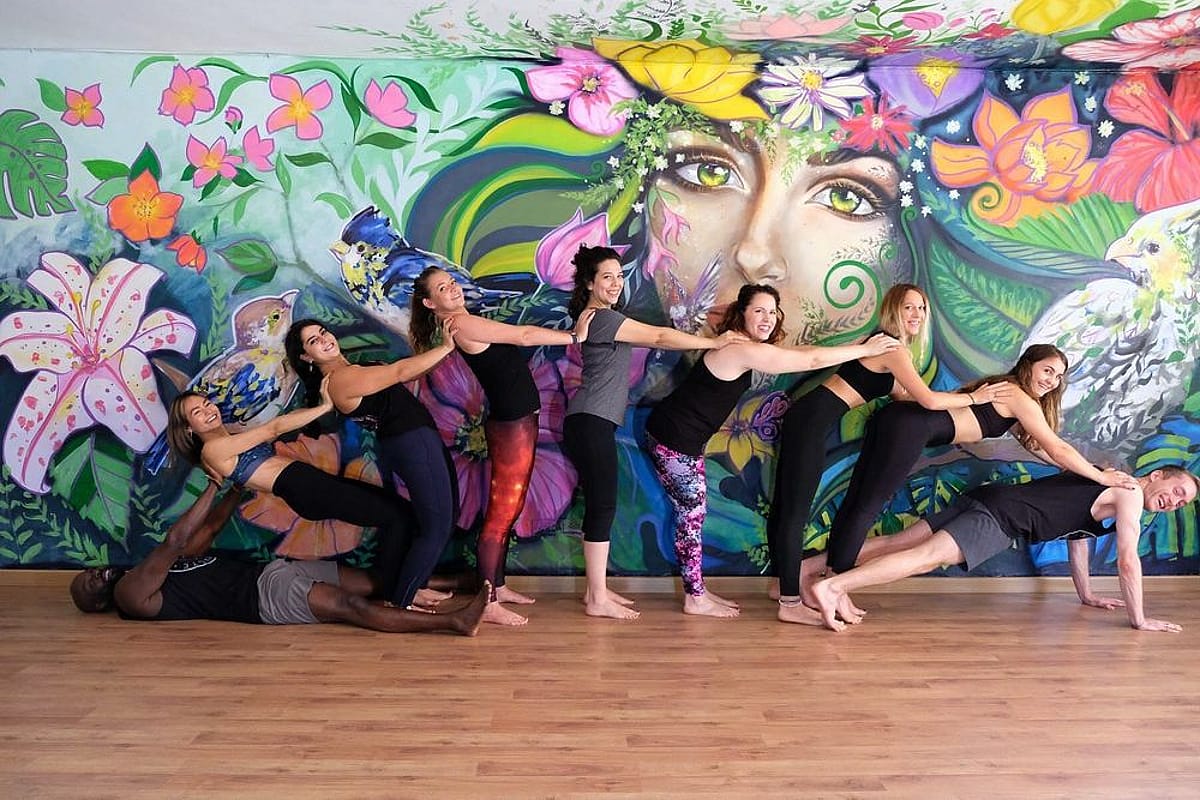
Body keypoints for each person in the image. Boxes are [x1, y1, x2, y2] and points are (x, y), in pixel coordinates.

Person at [817, 343, 1138, 625]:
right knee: (865, 507)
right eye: (1047, 370)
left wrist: (1081, 472)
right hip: (910, 428)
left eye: (1058, 377)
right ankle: (834, 586)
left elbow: (1041, 449)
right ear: (1029, 365)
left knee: (857, 502)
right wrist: (1100, 476)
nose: (1052, 381)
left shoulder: (1008, 393)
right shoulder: (1018, 396)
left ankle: (811, 575)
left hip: (900, 421)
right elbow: (1057, 447)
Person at [644, 283, 901, 617]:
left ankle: (699, 592)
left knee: (692, 514)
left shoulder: (742, 343)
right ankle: (695, 597)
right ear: (742, 313)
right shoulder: (738, 348)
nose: (766, 318)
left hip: (677, 435)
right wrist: (864, 351)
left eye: (771, 312)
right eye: (758, 311)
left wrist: (857, 346)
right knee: (691, 516)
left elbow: (803, 351)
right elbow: (809, 358)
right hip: (674, 439)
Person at [767, 283, 1010, 624]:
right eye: (909, 307)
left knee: (788, 507)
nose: (917, 315)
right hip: (808, 422)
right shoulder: (892, 348)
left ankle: (783, 587)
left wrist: (957, 418)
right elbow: (928, 400)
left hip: (808, 420)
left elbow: (907, 399)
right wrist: (975, 399)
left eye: (922, 308)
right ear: (894, 309)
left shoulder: (887, 349)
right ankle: (789, 603)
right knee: (794, 511)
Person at [563, 244, 745, 620]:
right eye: (606, 278)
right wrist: (712, 341)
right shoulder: (603, 318)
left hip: (592, 420)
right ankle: (596, 597)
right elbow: (661, 338)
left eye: (618, 276)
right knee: (602, 506)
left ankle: (597, 591)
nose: (615, 284)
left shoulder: (601, 316)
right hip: (590, 420)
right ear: (589, 283)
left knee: (601, 505)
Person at [407, 265, 595, 625]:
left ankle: (498, 585)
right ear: (431, 303)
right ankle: (488, 601)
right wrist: (575, 337)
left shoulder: (465, 321)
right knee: (501, 515)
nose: (454, 290)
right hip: (512, 426)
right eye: (443, 289)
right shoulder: (464, 324)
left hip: (516, 422)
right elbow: (523, 334)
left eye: (452, 283)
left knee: (508, 510)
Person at [809, 466, 1200, 633]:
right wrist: (1140, 619)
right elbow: (1129, 562)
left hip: (991, 498)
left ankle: (801, 573)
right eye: (1177, 492)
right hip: (1002, 519)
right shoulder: (1130, 494)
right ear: (1157, 476)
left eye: (1183, 504)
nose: (1175, 502)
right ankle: (833, 587)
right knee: (925, 558)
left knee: (901, 542)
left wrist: (1087, 594)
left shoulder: (1109, 478)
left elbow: (1077, 535)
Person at [70, 480, 488, 634]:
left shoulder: (159, 576)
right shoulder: (131, 595)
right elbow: (176, 540)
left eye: (87, 572)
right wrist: (214, 483)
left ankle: (459, 584)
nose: (93, 574)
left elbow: (208, 531)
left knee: (380, 581)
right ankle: (454, 620)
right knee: (355, 607)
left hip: (273, 571)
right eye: (88, 584)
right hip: (265, 598)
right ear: (100, 603)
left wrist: (236, 485)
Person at [167, 378, 440, 611]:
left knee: (400, 510)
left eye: (206, 404)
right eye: (197, 412)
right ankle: (400, 598)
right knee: (395, 517)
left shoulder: (230, 438)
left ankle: (407, 588)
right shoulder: (212, 451)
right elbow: (272, 429)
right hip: (308, 490)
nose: (207, 410)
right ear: (188, 427)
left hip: (312, 484)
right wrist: (323, 406)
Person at [285, 317, 461, 613]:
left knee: (444, 517)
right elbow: (401, 371)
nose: (325, 339)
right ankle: (398, 604)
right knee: (437, 526)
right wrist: (446, 346)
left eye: (323, 332)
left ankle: (409, 589)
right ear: (306, 356)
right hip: (412, 442)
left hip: (416, 439)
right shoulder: (341, 380)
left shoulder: (347, 370)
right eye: (313, 341)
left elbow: (404, 374)